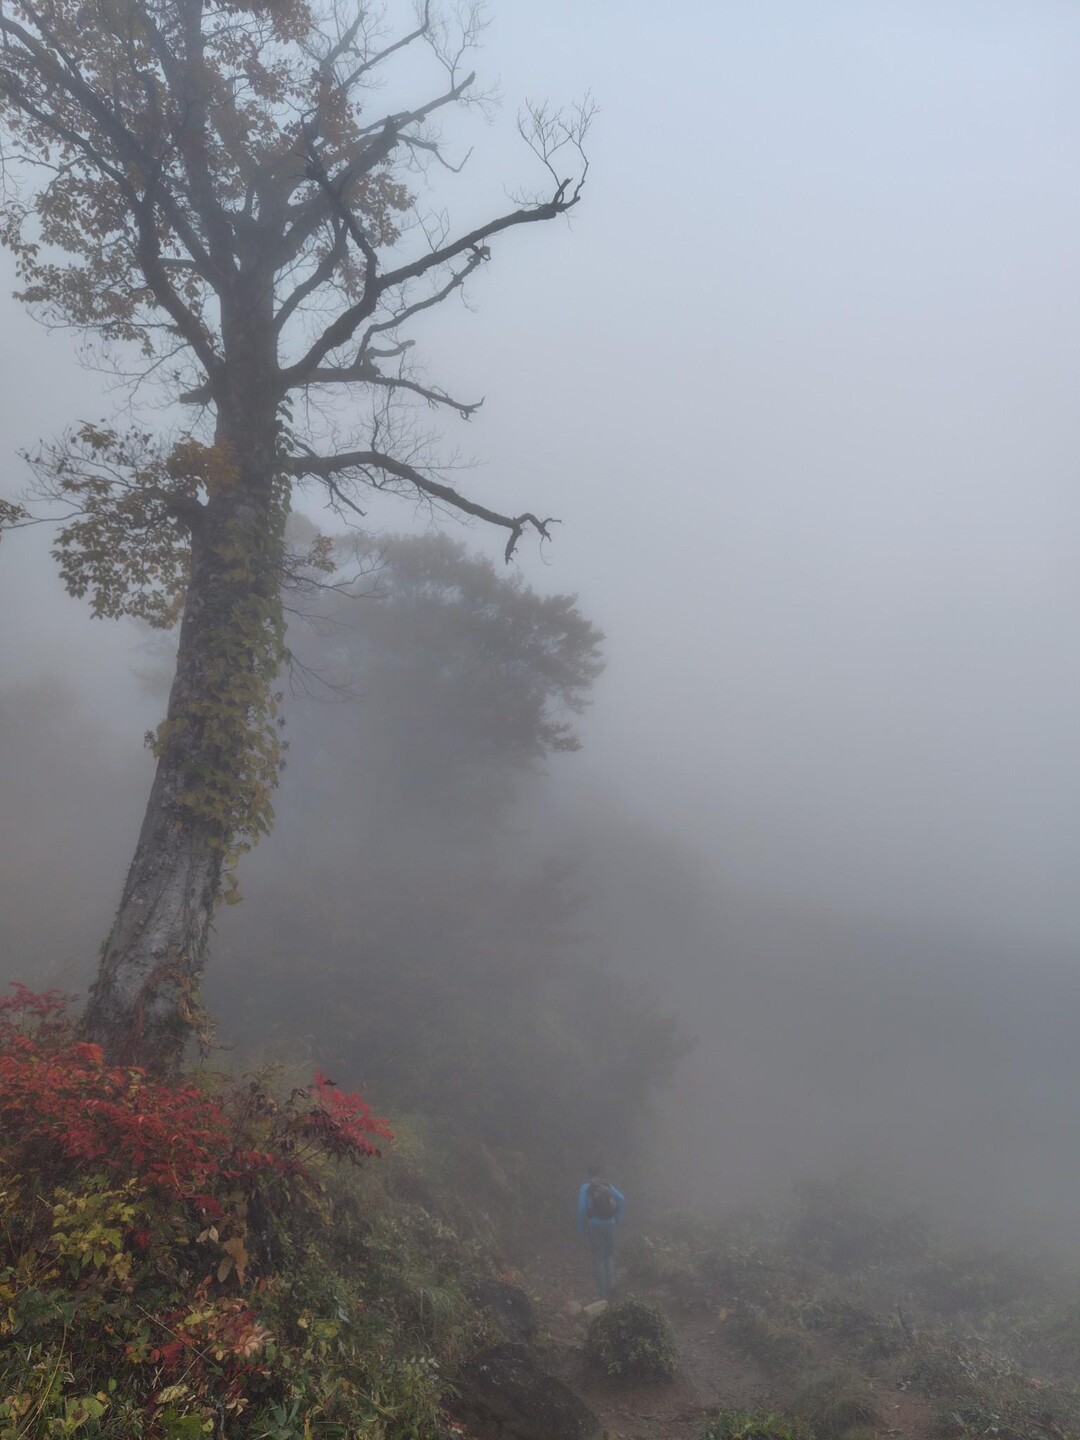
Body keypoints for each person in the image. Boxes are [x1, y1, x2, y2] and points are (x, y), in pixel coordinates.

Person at [576, 1167, 625, 1300]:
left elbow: (581, 1208)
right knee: (609, 1256)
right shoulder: (607, 1186)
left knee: (598, 1259)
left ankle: (602, 1294)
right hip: (610, 1224)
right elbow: (622, 1198)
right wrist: (617, 1218)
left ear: (588, 1175)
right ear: (600, 1174)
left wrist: (580, 1227)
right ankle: (612, 1289)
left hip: (595, 1225)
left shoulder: (586, 1187)